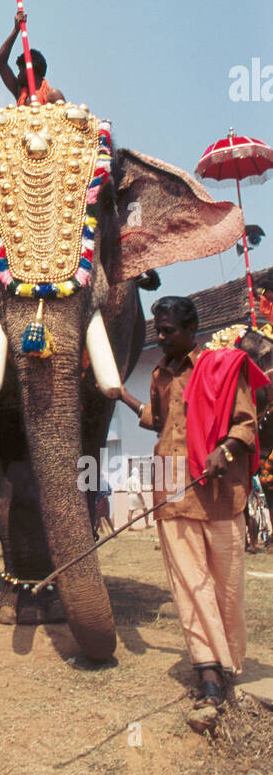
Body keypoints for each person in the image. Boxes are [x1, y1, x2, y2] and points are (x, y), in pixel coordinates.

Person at [119, 296, 267, 710]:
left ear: (191, 329)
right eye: (157, 330)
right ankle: (208, 672)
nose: (161, 337)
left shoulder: (222, 366)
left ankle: (228, 661)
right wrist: (121, 396)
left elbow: (246, 422)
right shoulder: (161, 374)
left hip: (220, 493)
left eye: (168, 331)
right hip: (172, 490)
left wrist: (227, 449)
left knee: (225, 585)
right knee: (190, 586)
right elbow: (162, 423)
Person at [0, 11, 65, 106]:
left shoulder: (53, 95)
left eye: (20, 69)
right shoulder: (20, 92)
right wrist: (16, 30)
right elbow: (1, 63)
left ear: (30, 68)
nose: (18, 75)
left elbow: (67, 120)